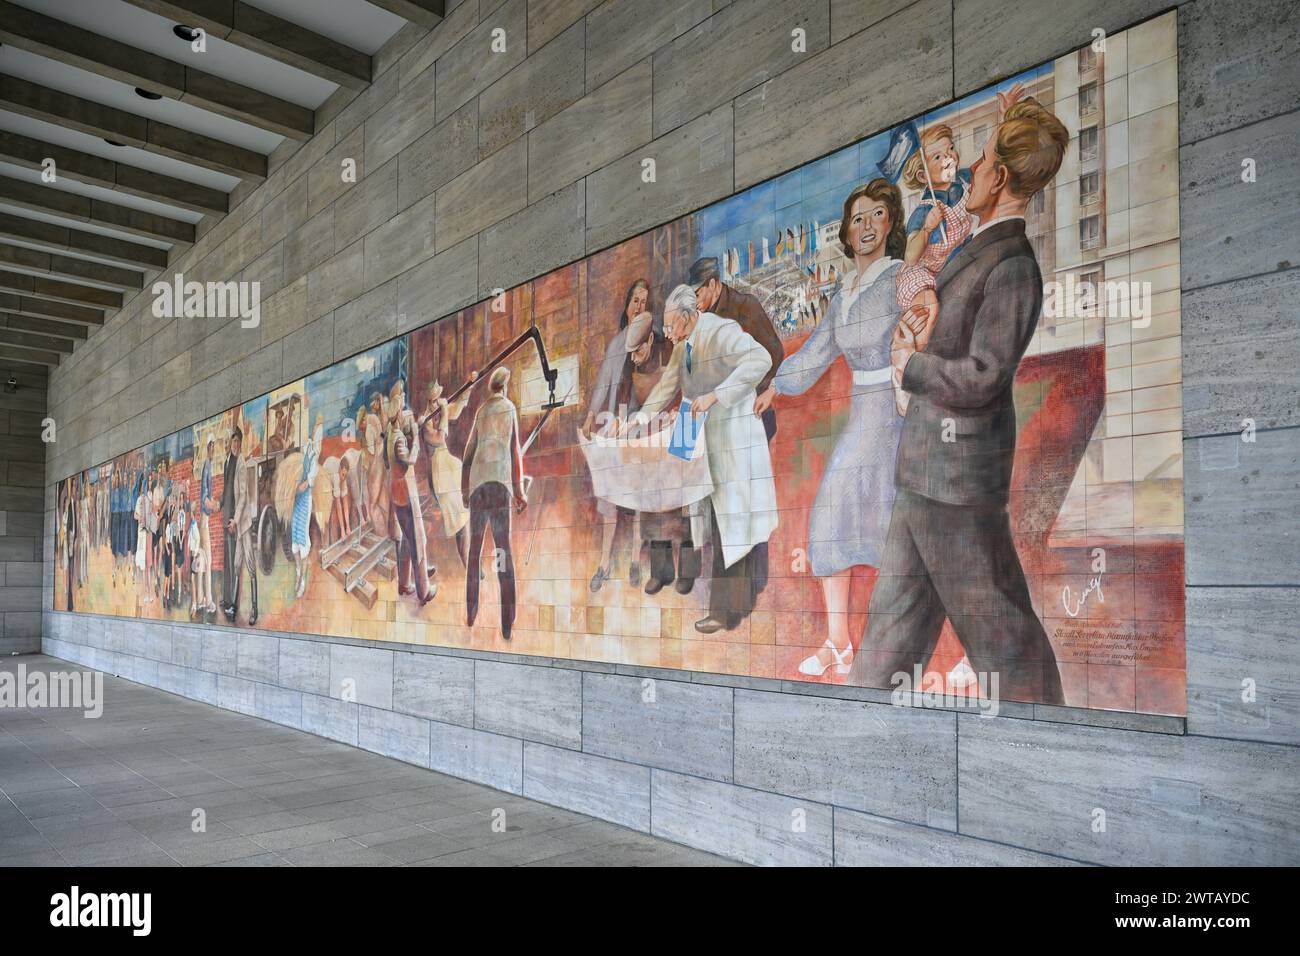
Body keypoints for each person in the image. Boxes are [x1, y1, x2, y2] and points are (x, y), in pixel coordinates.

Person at [847, 96, 1070, 705]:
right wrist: (922, 323)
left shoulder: (1013, 266)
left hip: (957, 489)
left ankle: (1050, 751)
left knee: (1006, 646)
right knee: (885, 652)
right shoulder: (980, 247)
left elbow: (983, 375)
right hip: (922, 478)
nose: (967, 169)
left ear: (998, 177)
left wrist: (912, 364)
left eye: (980, 160)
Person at [773, 178, 918, 676]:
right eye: (858, 217)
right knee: (832, 521)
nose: (868, 225)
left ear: (892, 223)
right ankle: (839, 642)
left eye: (878, 214)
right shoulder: (844, 292)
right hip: (863, 410)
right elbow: (815, 353)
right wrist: (773, 385)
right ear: (846, 230)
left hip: (898, 412)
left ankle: (915, 649)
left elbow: (927, 332)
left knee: (896, 529)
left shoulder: (902, 277)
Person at [632, 285, 778, 634]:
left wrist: (717, 395)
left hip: (731, 436)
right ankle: (744, 593)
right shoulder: (683, 345)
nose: (666, 333)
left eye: (670, 326)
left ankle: (726, 612)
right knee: (707, 518)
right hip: (697, 435)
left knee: (733, 523)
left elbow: (761, 360)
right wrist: (635, 422)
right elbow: (667, 388)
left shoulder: (720, 331)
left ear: (688, 316)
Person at [582, 279, 675, 592]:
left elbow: (666, 385)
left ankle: (637, 562)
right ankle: (604, 565)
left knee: (638, 499)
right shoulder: (617, 344)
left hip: (643, 431)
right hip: (616, 427)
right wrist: (591, 418)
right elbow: (603, 388)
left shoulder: (657, 341)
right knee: (610, 501)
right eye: (635, 300)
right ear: (626, 304)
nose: (639, 306)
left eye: (644, 301)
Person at [689, 256, 785, 441]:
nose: (694, 302)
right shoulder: (700, 320)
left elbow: (775, 353)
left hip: (750, 412)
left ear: (712, 284)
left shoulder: (745, 306)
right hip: (715, 416)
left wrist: (749, 390)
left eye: (697, 294)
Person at [462, 366, 527, 639]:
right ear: (506, 387)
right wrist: (519, 490)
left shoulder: (480, 412)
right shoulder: (509, 409)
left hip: (478, 487)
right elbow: (514, 453)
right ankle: (507, 622)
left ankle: (471, 612)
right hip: (500, 487)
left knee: (474, 552)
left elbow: (468, 454)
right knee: (503, 553)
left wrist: (465, 489)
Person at [419, 378, 473, 566]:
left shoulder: (437, 413)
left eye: (439, 400)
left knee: (463, 519)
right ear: (431, 402)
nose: (440, 401)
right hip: (440, 476)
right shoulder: (426, 423)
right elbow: (441, 437)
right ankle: (468, 563)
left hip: (448, 470)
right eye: (436, 400)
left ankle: (469, 563)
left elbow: (456, 411)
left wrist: (468, 387)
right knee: (460, 521)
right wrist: (442, 411)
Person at [388, 385, 434, 605]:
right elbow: (411, 458)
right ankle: (424, 591)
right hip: (405, 493)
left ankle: (404, 584)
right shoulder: (398, 438)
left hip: (397, 494)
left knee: (407, 539)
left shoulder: (391, 434)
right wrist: (415, 433)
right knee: (418, 539)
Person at [291, 418, 322, 598]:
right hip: (297, 501)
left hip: (304, 500)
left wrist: (293, 490)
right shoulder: (307, 449)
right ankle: (297, 573)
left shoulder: (315, 463)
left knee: (302, 537)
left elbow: (305, 485)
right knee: (294, 536)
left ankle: (302, 580)